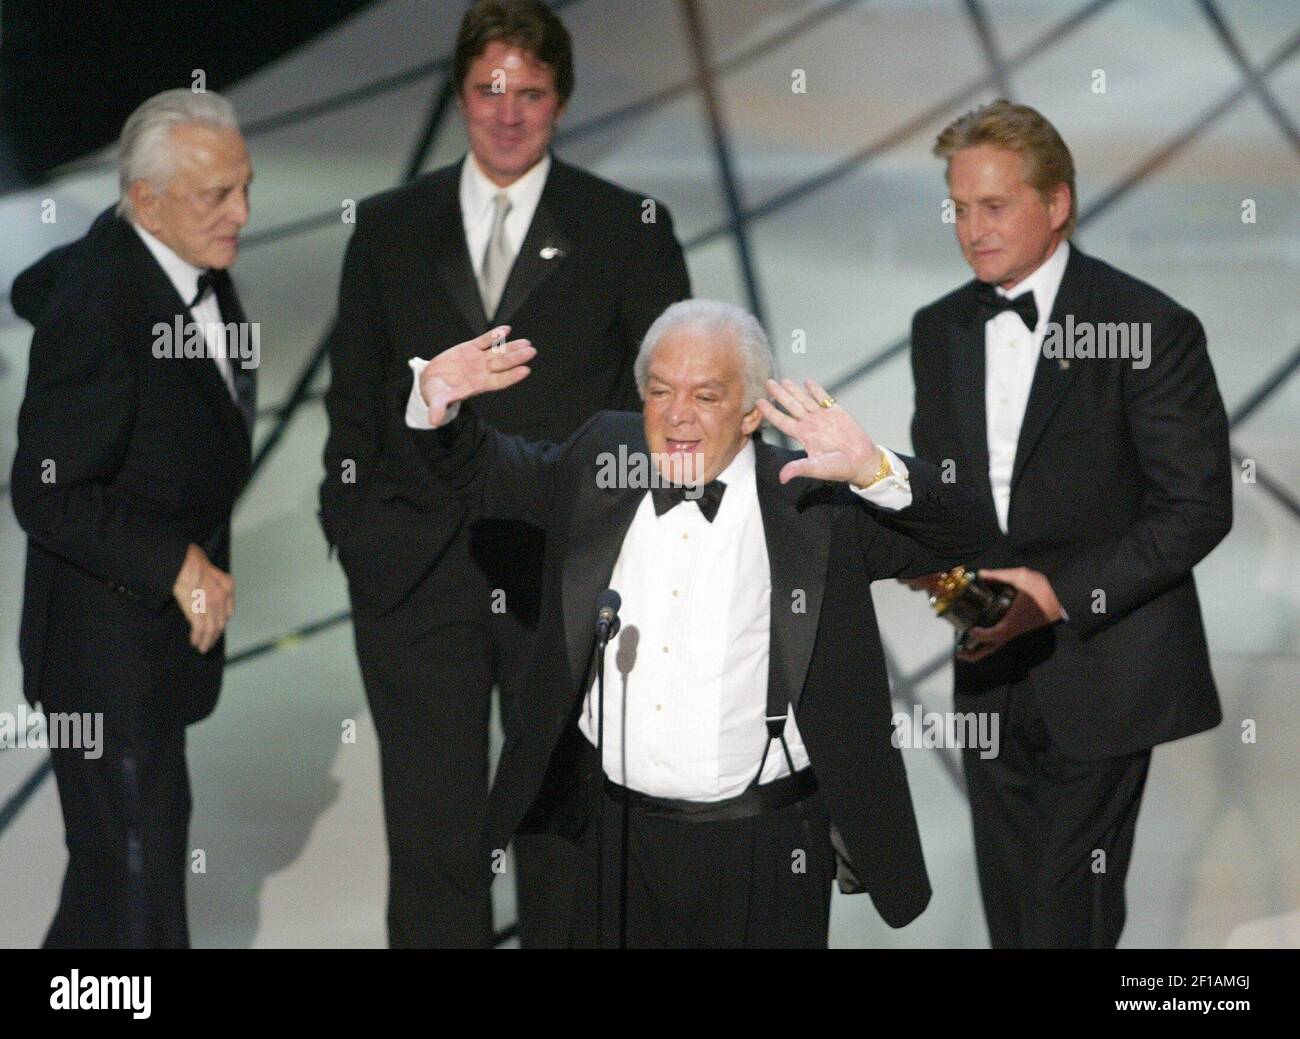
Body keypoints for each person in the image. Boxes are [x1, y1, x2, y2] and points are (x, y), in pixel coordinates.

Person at [401, 299, 995, 948]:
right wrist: (438, 405)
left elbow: (969, 530)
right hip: (615, 834)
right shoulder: (605, 455)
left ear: (750, 412)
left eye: (706, 395)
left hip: (765, 845)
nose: (677, 414)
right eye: (660, 391)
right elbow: (492, 475)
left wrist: (877, 470)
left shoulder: (811, 501)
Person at [318, 0, 690, 948]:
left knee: (561, 827)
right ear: (459, 95)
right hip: (414, 574)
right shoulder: (392, 227)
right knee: (432, 835)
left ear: (561, 100)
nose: (508, 110)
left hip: (560, 577)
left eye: (530, 91)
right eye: (489, 88)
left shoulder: (627, 228)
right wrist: (356, 530)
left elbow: (670, 408)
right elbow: (353, 399)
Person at [904, 99, 1232, 947]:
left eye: (996, 205)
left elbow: (1197, 504)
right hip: (989, 666)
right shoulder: (938, 329)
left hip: (1107, 664)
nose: (974, 229)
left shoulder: (1149, 326)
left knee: (1064, 914)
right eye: (961, 207)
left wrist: (1056, 596)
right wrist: (905, 539)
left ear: (1058, 203)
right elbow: (946, 498)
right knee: (1015, 916)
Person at [9, 88, 256, 947]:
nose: (242, 215)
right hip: (102, 657)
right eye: (215, 196)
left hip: (150, 654)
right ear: (144, 201)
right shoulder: (98, 311)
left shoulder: (163, 260)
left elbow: (29, 281)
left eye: (243, 188)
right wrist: (178, 564)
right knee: (139, 889)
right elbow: (45, 491)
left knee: (113, 882)